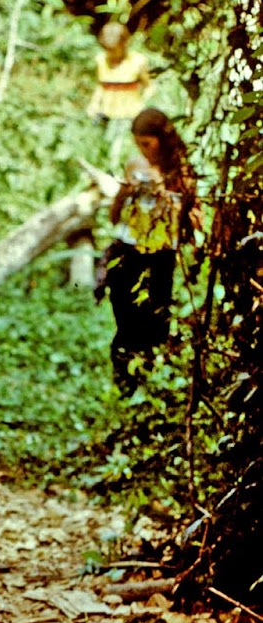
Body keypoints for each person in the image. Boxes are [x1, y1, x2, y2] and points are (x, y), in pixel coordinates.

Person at [97, 107, 201, 392]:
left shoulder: (179, 170)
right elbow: (117, 209)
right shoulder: (135, 166)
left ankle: (151, 381)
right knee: (125, 311)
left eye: (147, 144)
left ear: (161, 139)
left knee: (155, 316)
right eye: (138, 144)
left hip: (161, 253)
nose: (143, 151)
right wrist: (123, 198)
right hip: (130, 247)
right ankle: (125, 382)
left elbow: (190, 211)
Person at [88, 22, 153, 170]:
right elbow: (101, 85)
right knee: (101, 150)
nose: (110, 54)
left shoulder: (137, 62)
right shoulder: (101, 60)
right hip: (106, 114)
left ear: (124, 44)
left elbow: (149, 86)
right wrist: (94, 104)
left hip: (129, 115)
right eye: (107, 50)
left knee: (119, 152)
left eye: (114, 50)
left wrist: (143, 104)